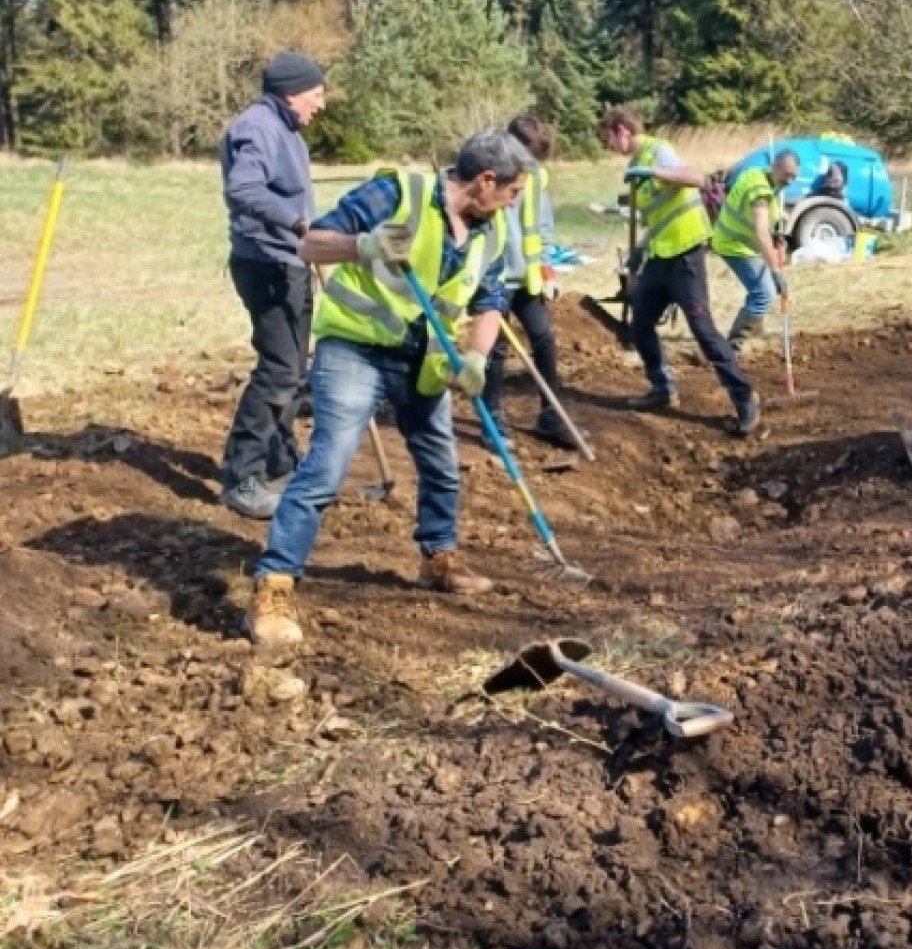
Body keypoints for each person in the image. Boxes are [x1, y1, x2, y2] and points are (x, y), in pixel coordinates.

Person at [244, 129, 534, 648]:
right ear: (487, 181)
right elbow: (310, 242)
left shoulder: (492, 229)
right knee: (328, 465)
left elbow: (492, 298)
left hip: (424, 358)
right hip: (356, 348)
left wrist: (476, 357)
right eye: (512, 191)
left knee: (441, 463)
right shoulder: (399, 193)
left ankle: (438, 557)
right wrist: (363, 245)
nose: (515, 202)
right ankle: (274, 585)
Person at [598, 106, 758, 435]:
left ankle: (744, 398)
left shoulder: (658, 150)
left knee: (704, 331)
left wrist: (654, 172)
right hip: (660, 257)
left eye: (609, 138)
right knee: (640, 323)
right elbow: (657, 216)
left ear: (622, 131)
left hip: (686, 255)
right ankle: (662, 388)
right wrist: (638, 255)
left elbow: (695, 178)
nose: (610, 146)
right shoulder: (635, 163)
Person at [216, 51, 325, 521]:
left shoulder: (289, 131)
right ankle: (242, 478)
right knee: (279, 370)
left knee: (295, 370)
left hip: (291, 262)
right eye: (317, 94)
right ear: (291, 93)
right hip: (266, 264)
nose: (323, 103)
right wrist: (295, 223)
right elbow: (242, 189)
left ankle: (281, 465)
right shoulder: (257, 127)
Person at [481, 115, 579, 449]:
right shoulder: (487, 175)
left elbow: (543, 227)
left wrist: (548, 269)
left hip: (527, 277)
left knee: (544, 339)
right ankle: (492, 421)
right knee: (496, 350)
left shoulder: (535, 178)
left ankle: (550, 415)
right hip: (493, 275)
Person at [710, 150, 799, 353]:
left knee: (761, 291)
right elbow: (760, 231)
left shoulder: (764, 177)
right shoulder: (759, 189)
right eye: (787, 175)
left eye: (794, 176)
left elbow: (765, 221)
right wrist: (776, 271)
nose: (790, 181)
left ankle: (754, 331)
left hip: (744, 243)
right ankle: (732, 346)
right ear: (775, 166)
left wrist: (776, 233)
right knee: (764, 293)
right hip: (733, 243)